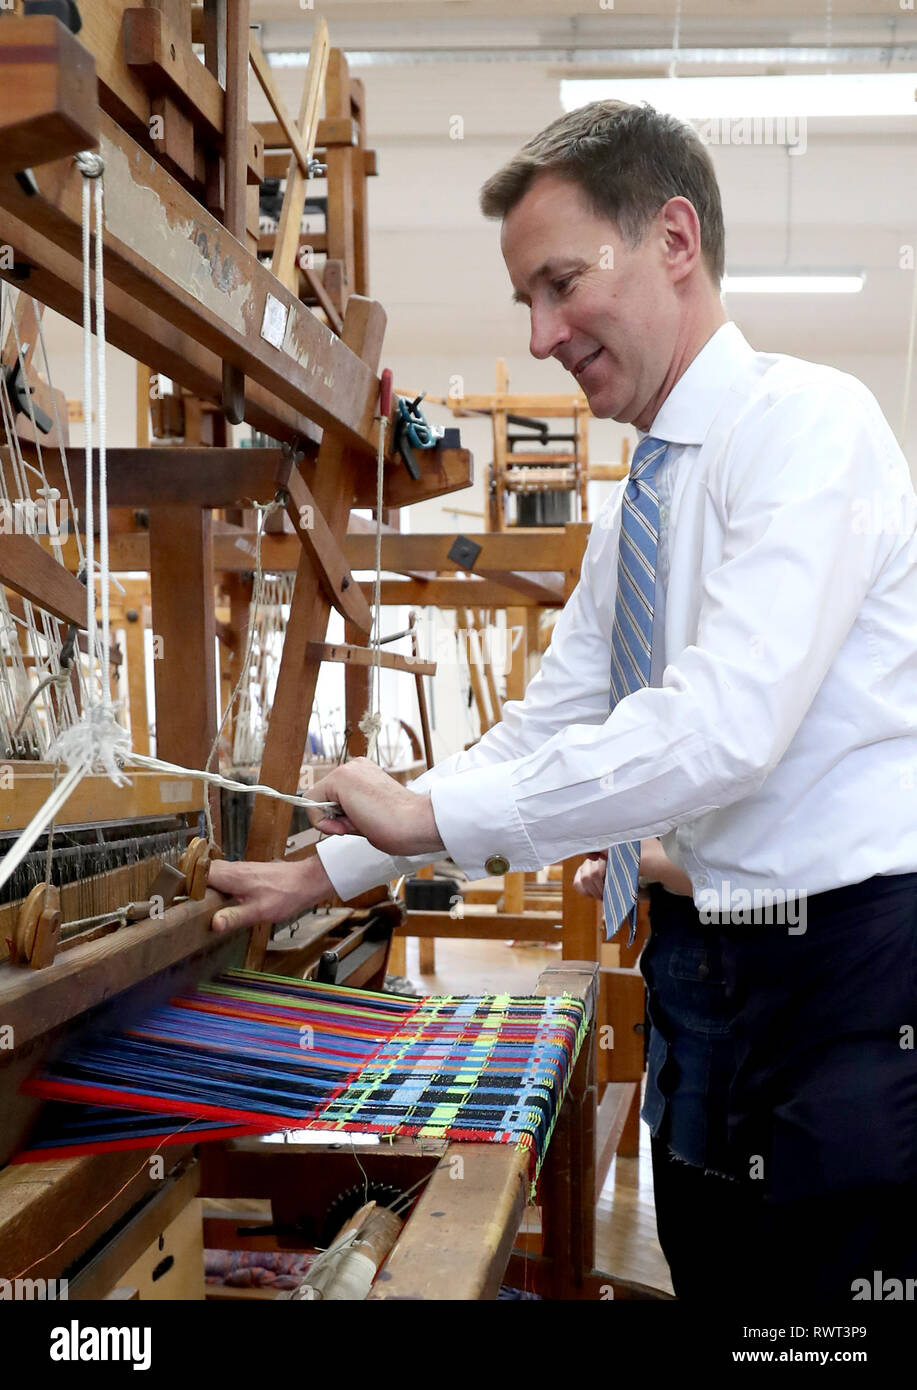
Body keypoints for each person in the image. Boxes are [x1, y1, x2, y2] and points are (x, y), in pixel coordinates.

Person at [210, 100, 917, 1302]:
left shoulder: (811, 430)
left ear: (674, 240)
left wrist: (426, 821)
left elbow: (718, 730)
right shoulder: (636, 509)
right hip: (700, 980)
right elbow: (542, 733)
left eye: (558, 283)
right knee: (725, 1288)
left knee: (818, 1315)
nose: (538, 335)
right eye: (521, 302)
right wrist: (326, 871)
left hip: (840, 986)